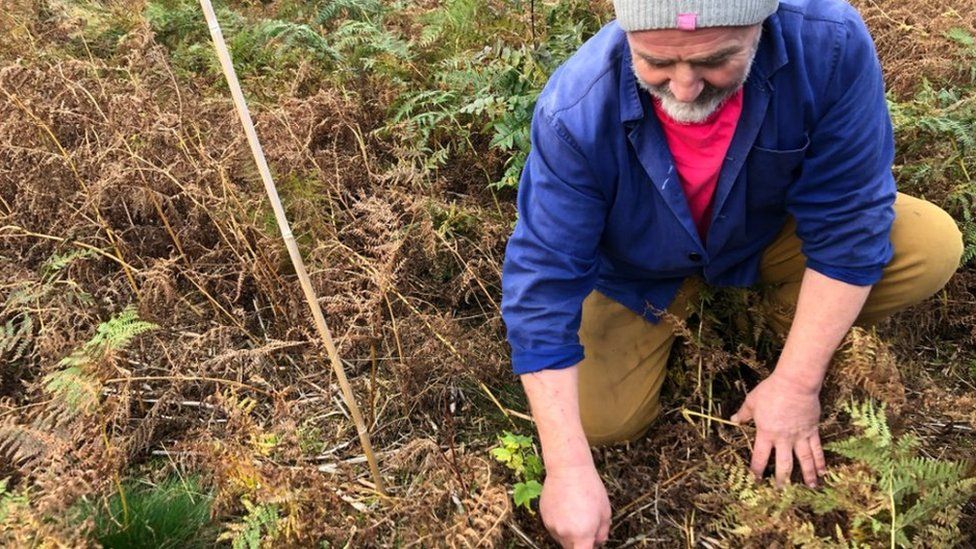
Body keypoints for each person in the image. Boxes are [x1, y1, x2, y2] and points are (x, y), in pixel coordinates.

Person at [499, 0, 965, 546]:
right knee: (600, 423)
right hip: (637, 273)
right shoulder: (576, 107)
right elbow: (543, 280)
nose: (685, 87)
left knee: (926, 246)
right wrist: (568, 468)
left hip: (758, 239)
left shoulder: (827, 45)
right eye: (655, 63)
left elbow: (850, 224)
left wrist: (796, 383)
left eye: (714, 60)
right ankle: (692, 311)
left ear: (761, 24)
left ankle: (777, 321)